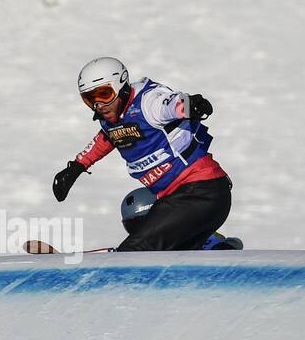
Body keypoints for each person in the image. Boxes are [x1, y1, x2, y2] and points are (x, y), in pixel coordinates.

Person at [52, 56, 232, 251]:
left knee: (136, 250)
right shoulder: (112, 119)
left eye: (104, 94)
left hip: (200, 192)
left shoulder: (148, 102)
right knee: (166, 257)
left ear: (120, 84)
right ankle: (211, 246)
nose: (98, 104)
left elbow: (170, 104)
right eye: (89, 99)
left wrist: (191, 105)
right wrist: (76, 168)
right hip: (182, 197)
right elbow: (105, 139)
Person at [120, 187, 242, 250]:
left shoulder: (191, 233)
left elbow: (234, 244)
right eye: (134, 227)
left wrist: (223, 248)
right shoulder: (133, 252)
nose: (143, 232)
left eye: (147, 224)